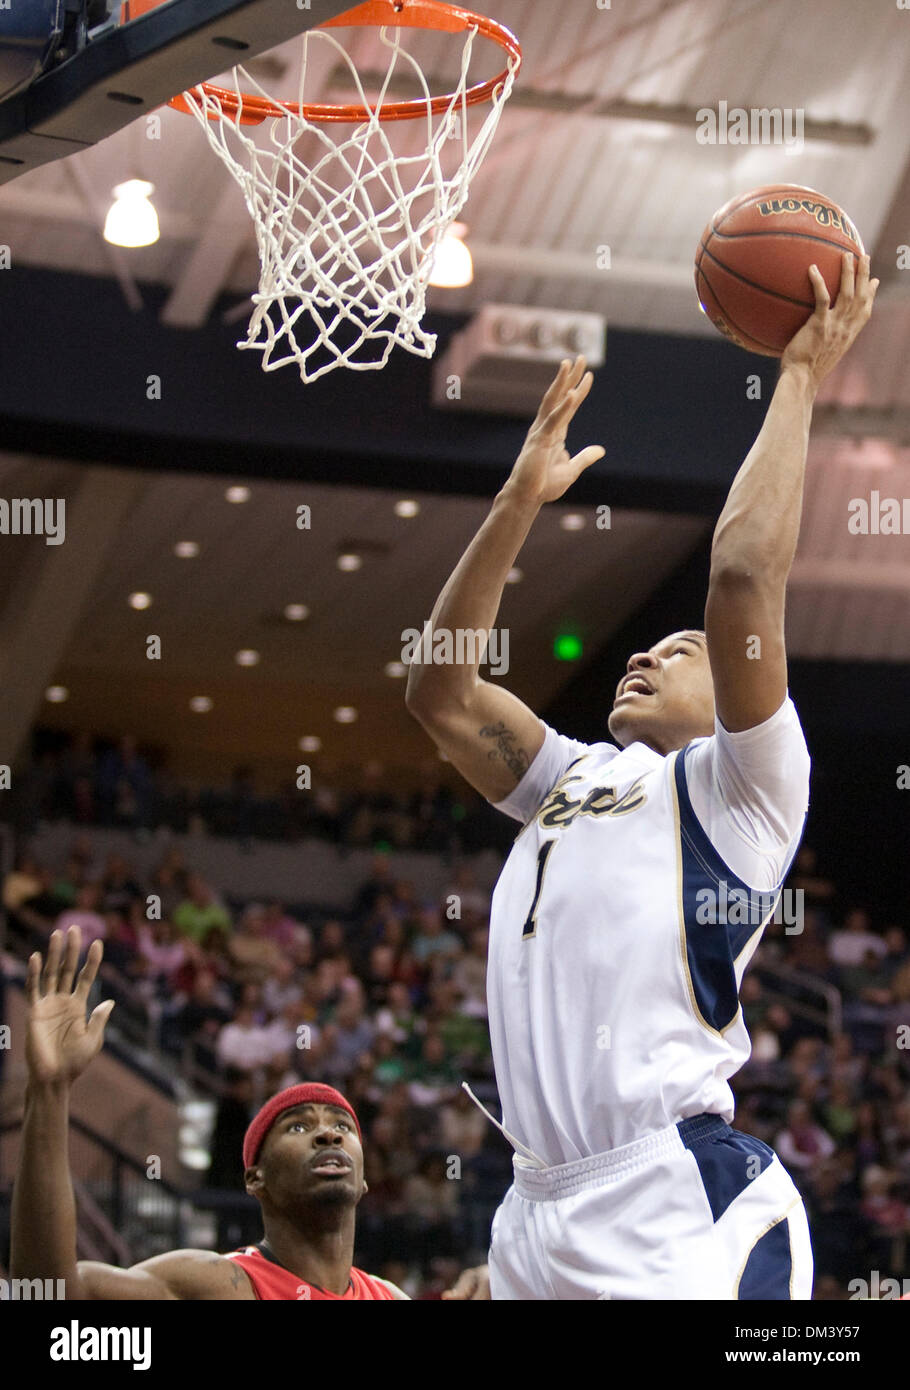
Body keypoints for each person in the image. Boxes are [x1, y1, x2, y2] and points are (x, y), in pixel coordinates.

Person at [406, 253, 878, 1299]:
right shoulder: (566, 777)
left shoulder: (745, 788)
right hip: (532, 1205)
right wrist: (518, 499)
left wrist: (797, 374)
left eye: (681, 649)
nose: (644, 654)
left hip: (674, 1197)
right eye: (643, 646)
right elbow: (439, 695)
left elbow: (743, 577)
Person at [11, 927, 406, 1299]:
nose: (329, 1135)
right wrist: (49, 1090)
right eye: (298, 1126)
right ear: (255, 1179)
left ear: (364, 1179)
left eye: (342, 1126)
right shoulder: (213, 1284)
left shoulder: (391, 1296)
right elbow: (48, 1292)